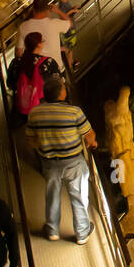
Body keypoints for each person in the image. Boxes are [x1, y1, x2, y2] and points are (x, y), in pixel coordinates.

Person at [26, 75, 96, 244]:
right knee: (78, 196)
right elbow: (89, 135)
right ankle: (81, 233)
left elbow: (30, 139)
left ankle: (52, 230)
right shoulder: (74, 112)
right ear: (62, 94)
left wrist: (44, 147)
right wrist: (93, 142)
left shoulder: (35, 113)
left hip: (50, 162)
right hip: (73, 161)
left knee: (52, 195)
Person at [6, 31, 61, 125]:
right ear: (39, 45)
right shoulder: (48, 62)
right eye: (42, 41)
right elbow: (58, 85)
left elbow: (10, 84)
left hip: (24, 110)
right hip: (45, 108)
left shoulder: (15, 63)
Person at [15, 0, 71, 65]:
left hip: (35, 71)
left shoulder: (23, 27)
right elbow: (69, 23)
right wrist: (58, 11)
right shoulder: (54, 23)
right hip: (55, 67)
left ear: (33, 9)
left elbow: (19, 52)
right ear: (47, 10)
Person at [54, 0, 81, 72]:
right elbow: (63, 16)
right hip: (68, 30)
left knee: (70, 50)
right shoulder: (61, 4)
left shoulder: (65, 2)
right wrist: (72, 10)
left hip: (69, 29)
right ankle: (69, 68)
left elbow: (66, 12)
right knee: (69, 50)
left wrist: (73, 8)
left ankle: (71, 65)